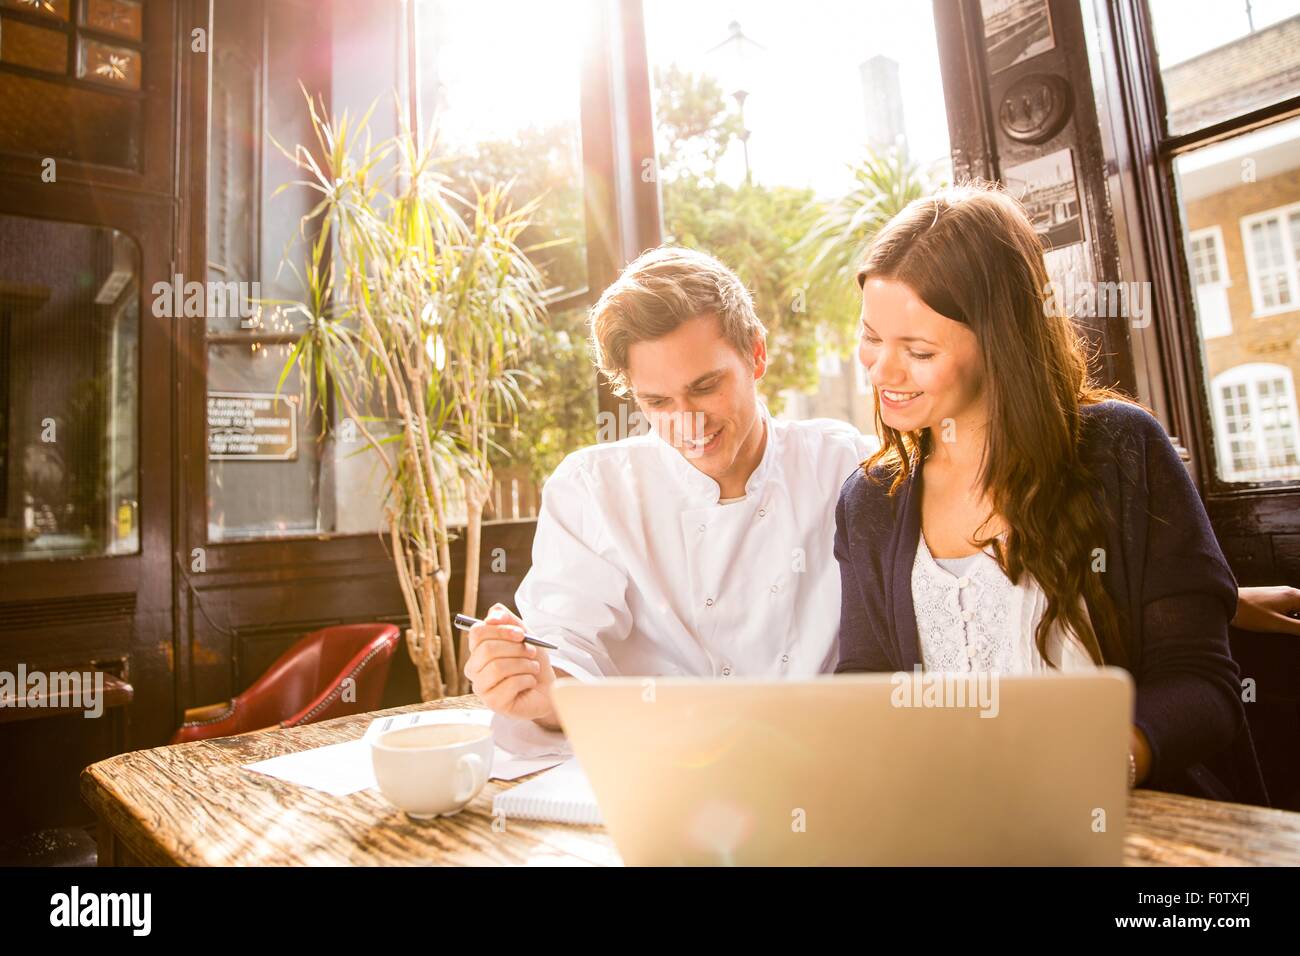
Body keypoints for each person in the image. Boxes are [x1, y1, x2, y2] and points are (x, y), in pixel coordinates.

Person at [833, 182, 1266, 803]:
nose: (882, 371)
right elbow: (867, 679)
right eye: (872, 337)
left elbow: (1201, 685)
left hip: (1125, 821)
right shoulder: (871, 500)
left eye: (919, 351)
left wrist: (1099, 766)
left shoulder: (1121, 450)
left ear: (1001, 342)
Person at [464, 246, 873, 730]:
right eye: (657, 401)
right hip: (663, 766)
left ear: (756, 354)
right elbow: (568, 652)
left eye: (705, 387)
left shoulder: (845, 464)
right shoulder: (592, 490)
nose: (687, 420)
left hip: (820, 757)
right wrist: (536, 685)